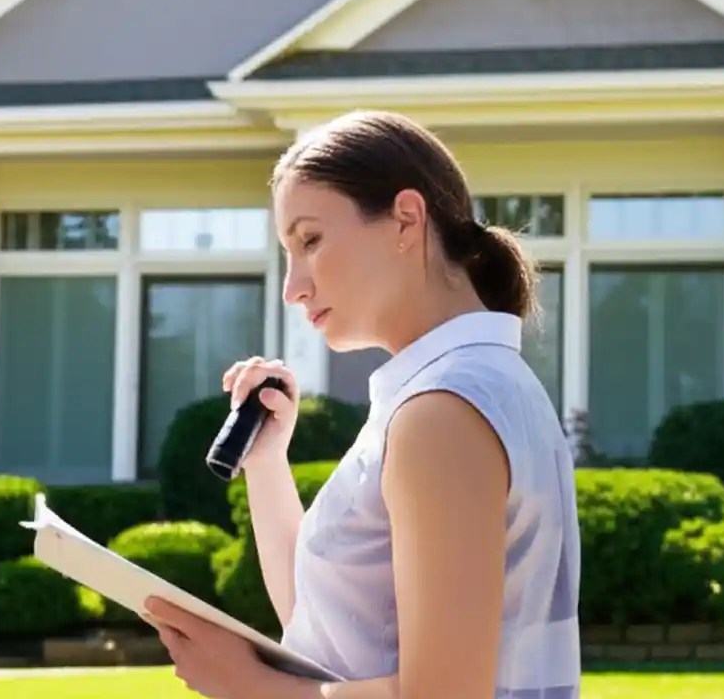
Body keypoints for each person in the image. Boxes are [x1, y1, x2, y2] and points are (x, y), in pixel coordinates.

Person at [143, 110, 582, 699]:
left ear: (406, 219)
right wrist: (267, 463)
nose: (292, 288)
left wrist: (248, 685)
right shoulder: (457, 390)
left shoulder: (443, 410)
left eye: (311, 241)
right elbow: (331, 627)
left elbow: (444, 694)